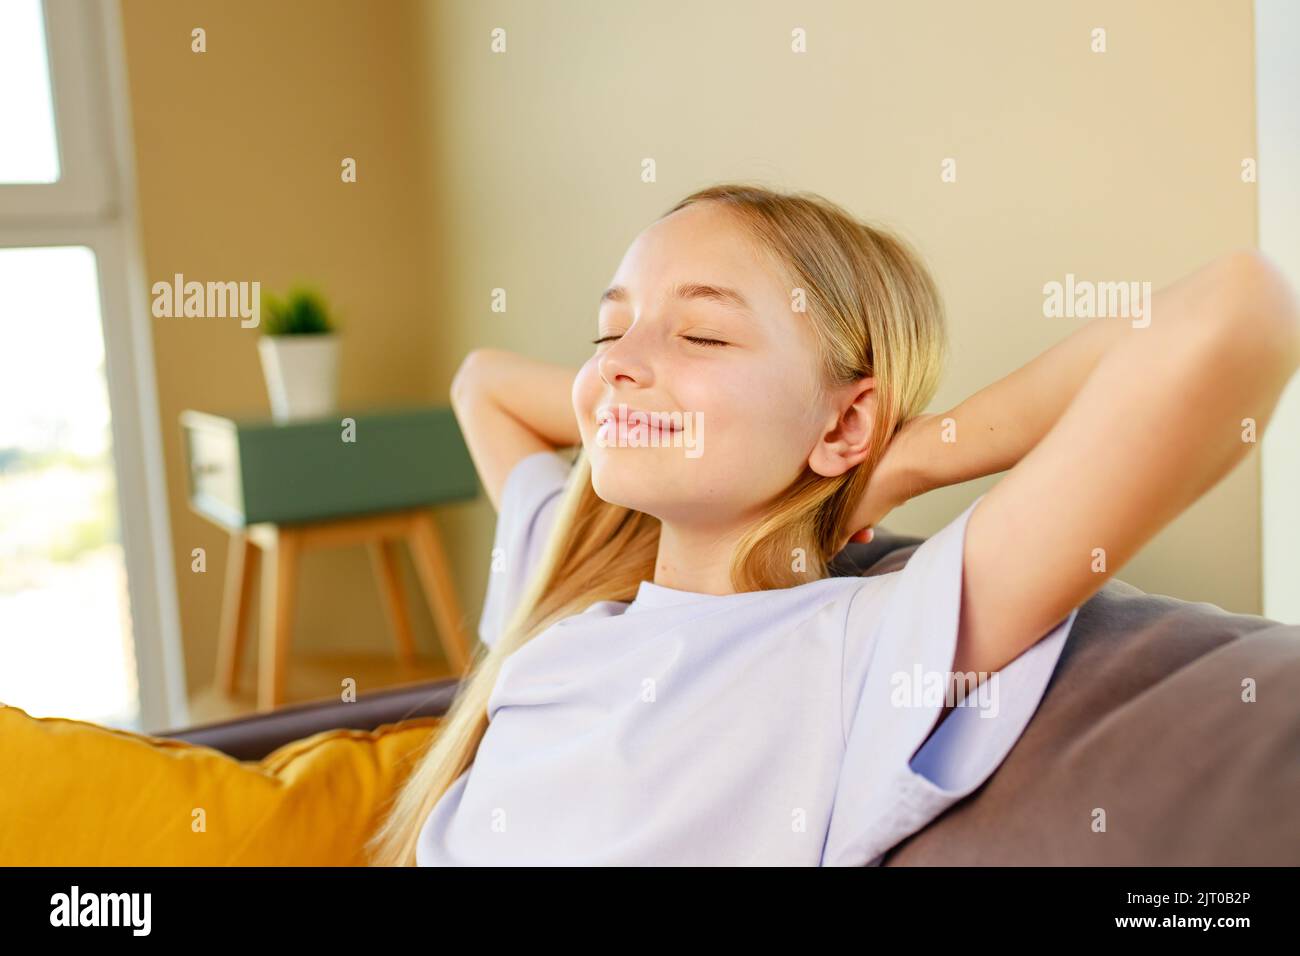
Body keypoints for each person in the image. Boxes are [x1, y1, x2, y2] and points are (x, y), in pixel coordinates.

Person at [368, 182, 1300, 866]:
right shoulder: (572, 580)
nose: (620, 361)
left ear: (845, 419)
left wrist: (910, 457)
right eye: (610, 331)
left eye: (702, 334)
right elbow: (480, 384)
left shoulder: (857, 650)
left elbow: (1234, 317)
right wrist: (645, 398)